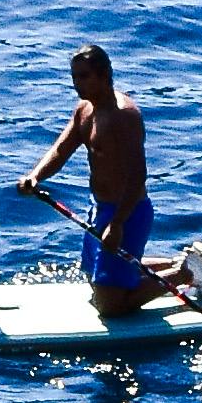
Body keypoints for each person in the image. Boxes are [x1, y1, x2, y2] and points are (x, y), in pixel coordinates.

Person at [22, 43, 165, 300]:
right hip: (99, 207)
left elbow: (137, 175)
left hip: (127, 212)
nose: (77, 83)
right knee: (94, 275)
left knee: (110, 304)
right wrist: (36, 176)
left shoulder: (125, 117)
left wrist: (118, 224)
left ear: (104, 75)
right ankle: (181, 262)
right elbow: (61, 150)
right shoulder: (85, 110)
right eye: (74, 77)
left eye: (84, 77)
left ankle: (187, 274)